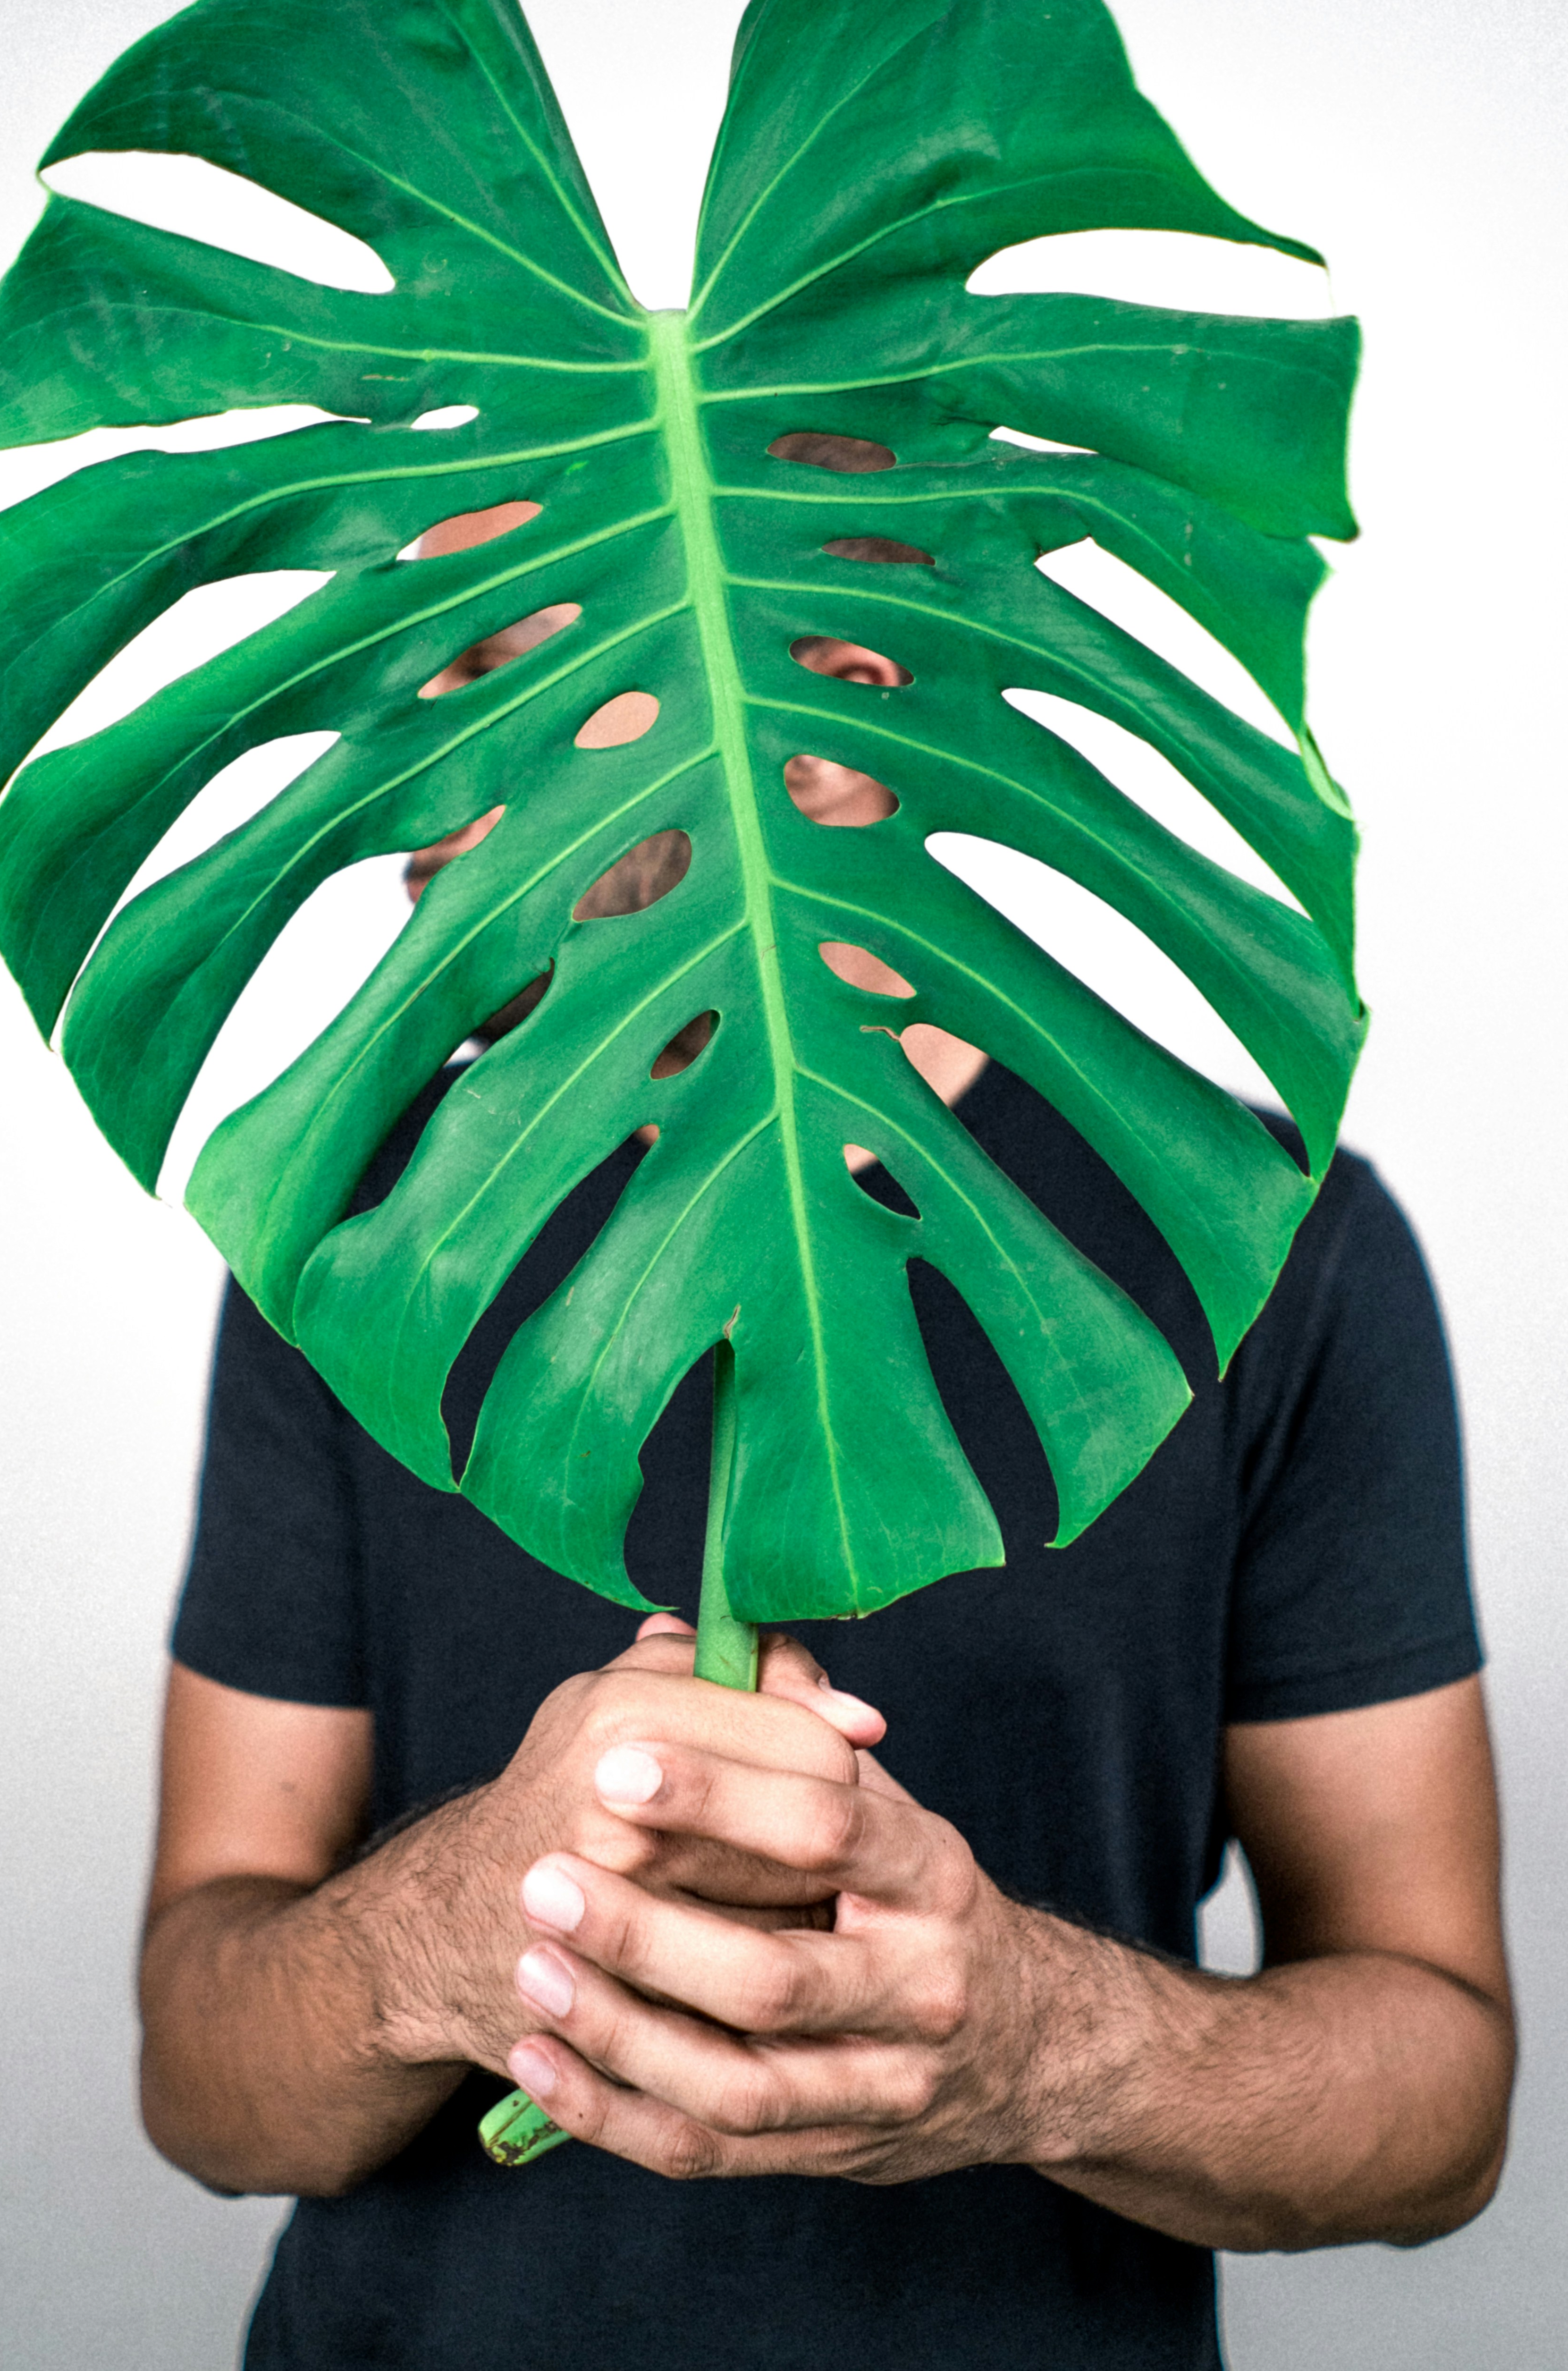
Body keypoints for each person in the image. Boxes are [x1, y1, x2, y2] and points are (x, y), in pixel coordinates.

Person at [139, 611, 1512, 2371]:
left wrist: (1036, 2049)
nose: (411, 767)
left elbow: (1444, 2093)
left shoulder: (1268, 1255)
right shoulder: (363, 1240)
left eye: (491, 677)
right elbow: (201, 2077)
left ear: (836, 706)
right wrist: (461, 1931)